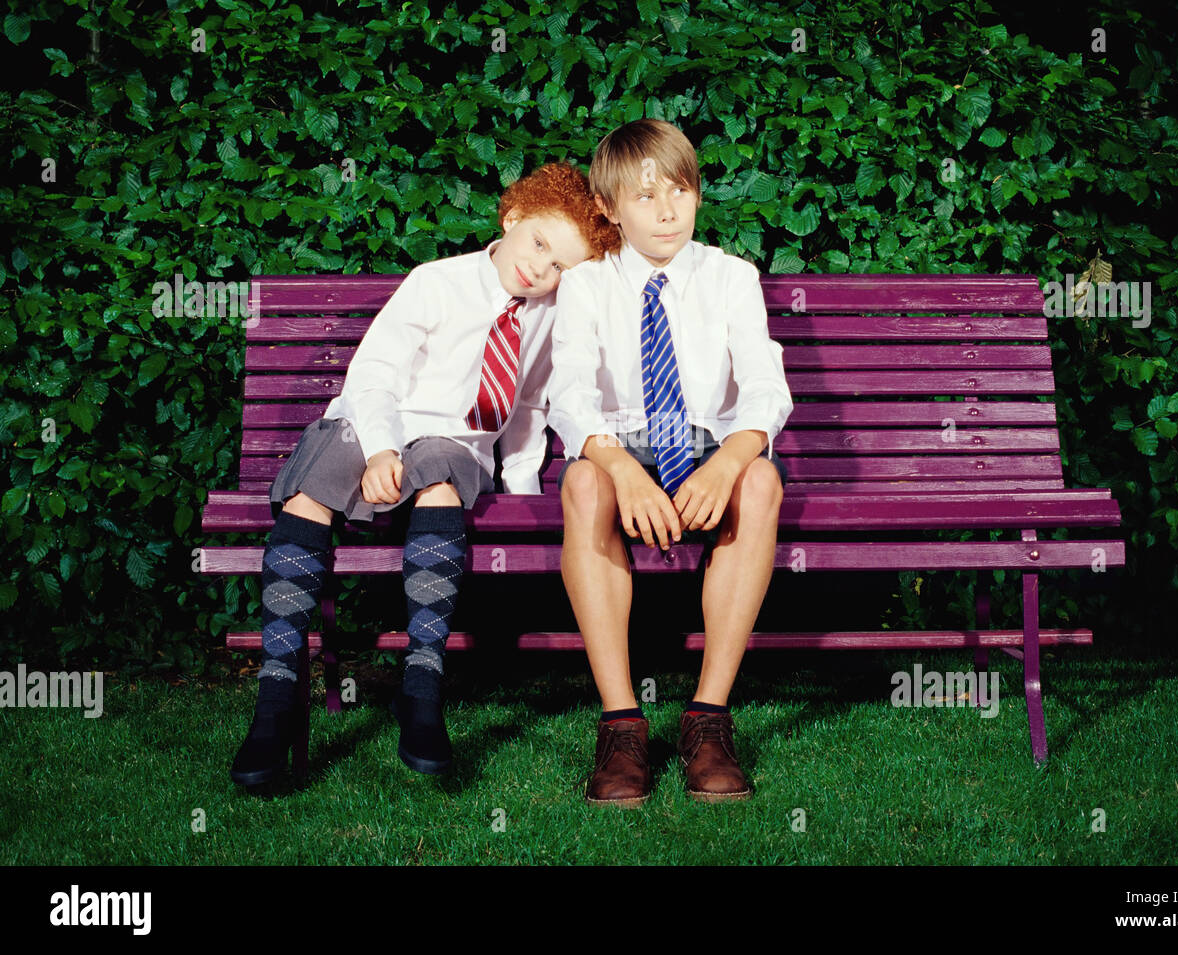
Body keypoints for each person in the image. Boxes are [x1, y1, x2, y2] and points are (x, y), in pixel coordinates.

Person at [231, 162, 621, 786]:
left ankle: (422, 685)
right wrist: (382, 449)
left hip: (451, 444)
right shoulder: (435, 282)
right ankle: (277, 698)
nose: (541, 270)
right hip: (374, 422)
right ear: (512, 216)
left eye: (560, 268)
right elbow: (375, 374)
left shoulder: (548, 315)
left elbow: (527, 408)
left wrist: (520, 489)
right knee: (312, 491)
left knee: (441, 469)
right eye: (539, 244)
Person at [547, 120, 794, 806]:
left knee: (764, 479)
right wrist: (622, 468)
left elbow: (767, 388)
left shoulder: (730, 277)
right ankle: (621, 724)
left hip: (706, 442)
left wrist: (730, 461)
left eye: (680, 191)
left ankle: (707, 720)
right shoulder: (588, 283)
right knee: (582, 481)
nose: (667, 211)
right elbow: (567, 393)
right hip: (622, 446)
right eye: (646, 196)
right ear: (608, 207)